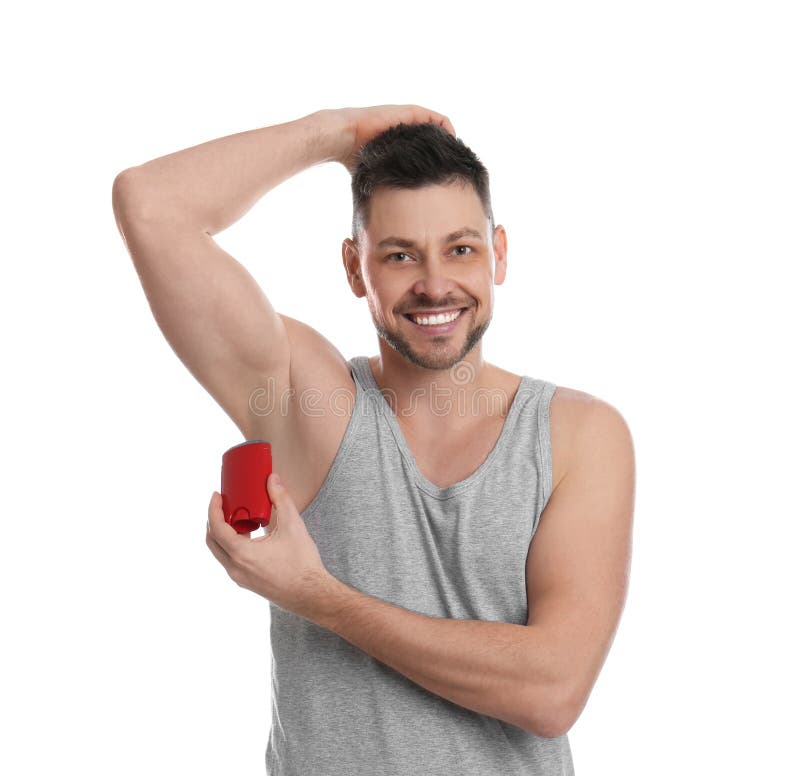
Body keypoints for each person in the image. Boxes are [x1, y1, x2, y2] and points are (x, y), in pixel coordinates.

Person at [112, 105, 635, 775]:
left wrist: (320, 598)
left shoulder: (580, 436)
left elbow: (551, 689)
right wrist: (337, 136)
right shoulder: (305, 403)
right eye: (398, 255)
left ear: (498, 255)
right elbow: (150, 204)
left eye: (460, 248)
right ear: (355, 269)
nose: (435, 283)